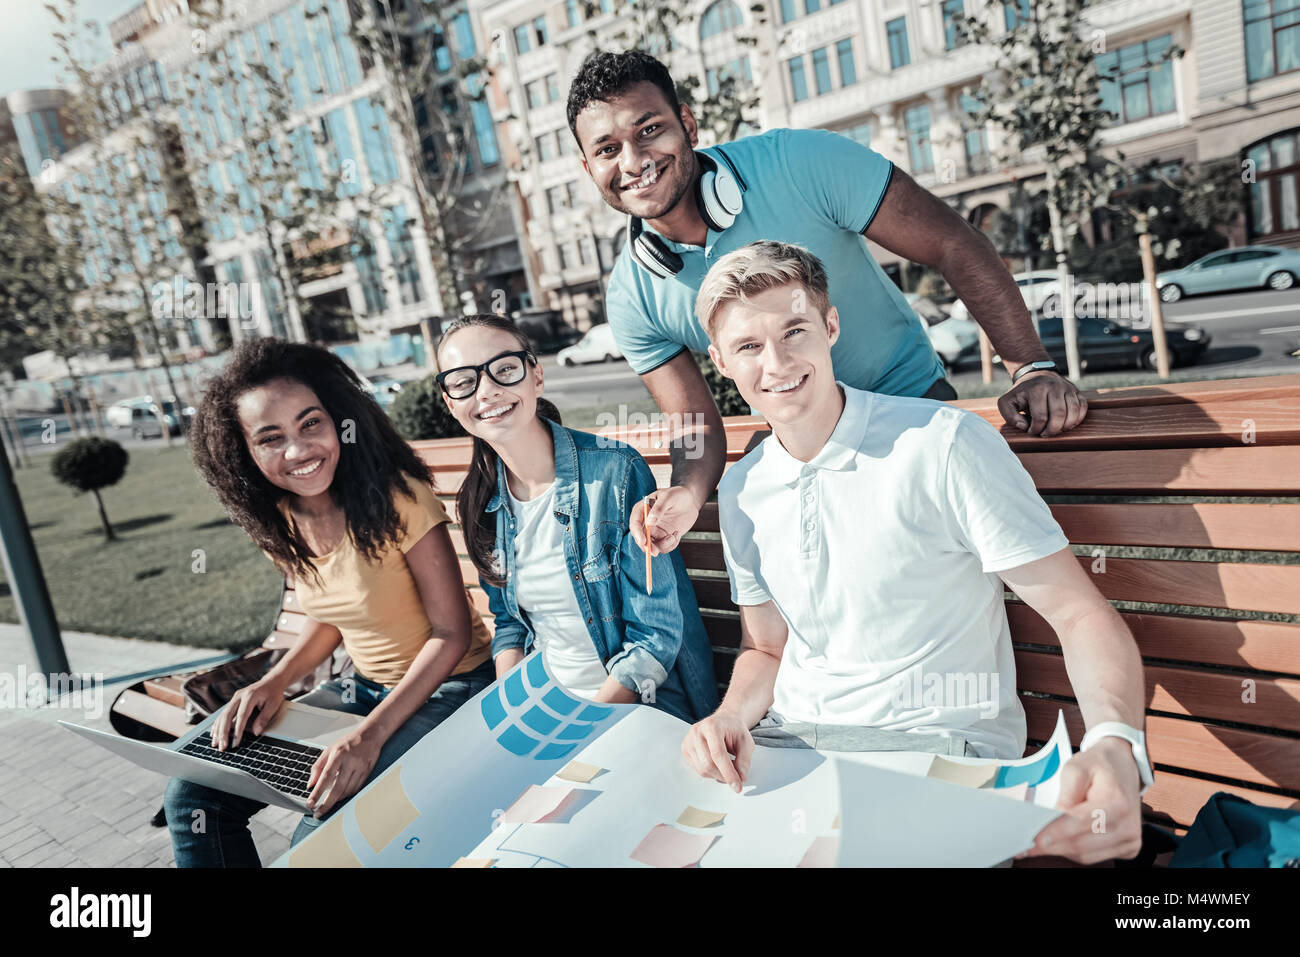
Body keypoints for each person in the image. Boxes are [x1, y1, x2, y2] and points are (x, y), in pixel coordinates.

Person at [680, 242, 1150, 866]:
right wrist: (732, 715)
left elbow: (1080, 615)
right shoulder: (743, 488)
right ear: (720, 361)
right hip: (786, 749)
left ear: (831, 326)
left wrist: (1117, 742)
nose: (778, 362)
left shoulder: (943, 444)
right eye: (748, 347)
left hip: (935, 749)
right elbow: (768, 647)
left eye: (794, 330)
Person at [565, 50, 1089, 559]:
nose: (634, 162)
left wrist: (1030, 367)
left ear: (688, 124)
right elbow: (695, 425)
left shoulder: (802, 161)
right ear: (588, 167)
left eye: (649, 129)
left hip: (914, 415)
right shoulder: (630, 295)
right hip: (803, 450)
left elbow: (953, 243)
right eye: (608, 149)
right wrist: (687, 490)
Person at [164, 339, 495, 867]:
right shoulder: (278, 516)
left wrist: (367, 737)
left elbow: (451, 633)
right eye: (271, 438)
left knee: (318, 838)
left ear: (338, 420)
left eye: (310, 424)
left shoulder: (397, 497)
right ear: (242, 452)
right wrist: (271, 682)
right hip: (360, 689)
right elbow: (327, 615)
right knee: (193, 794)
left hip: (453, 686)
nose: (298, 450)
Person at [436, 314, 718, 723]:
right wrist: (513, 713)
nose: (488, 391)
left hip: (636, 710)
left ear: (537, 376)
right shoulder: (479, 501)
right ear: (450, 401)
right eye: (464, 382)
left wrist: (581, 727)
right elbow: (510, 626)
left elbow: (653, 637)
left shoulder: (616, 473)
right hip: (545, 710)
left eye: (505, 370)